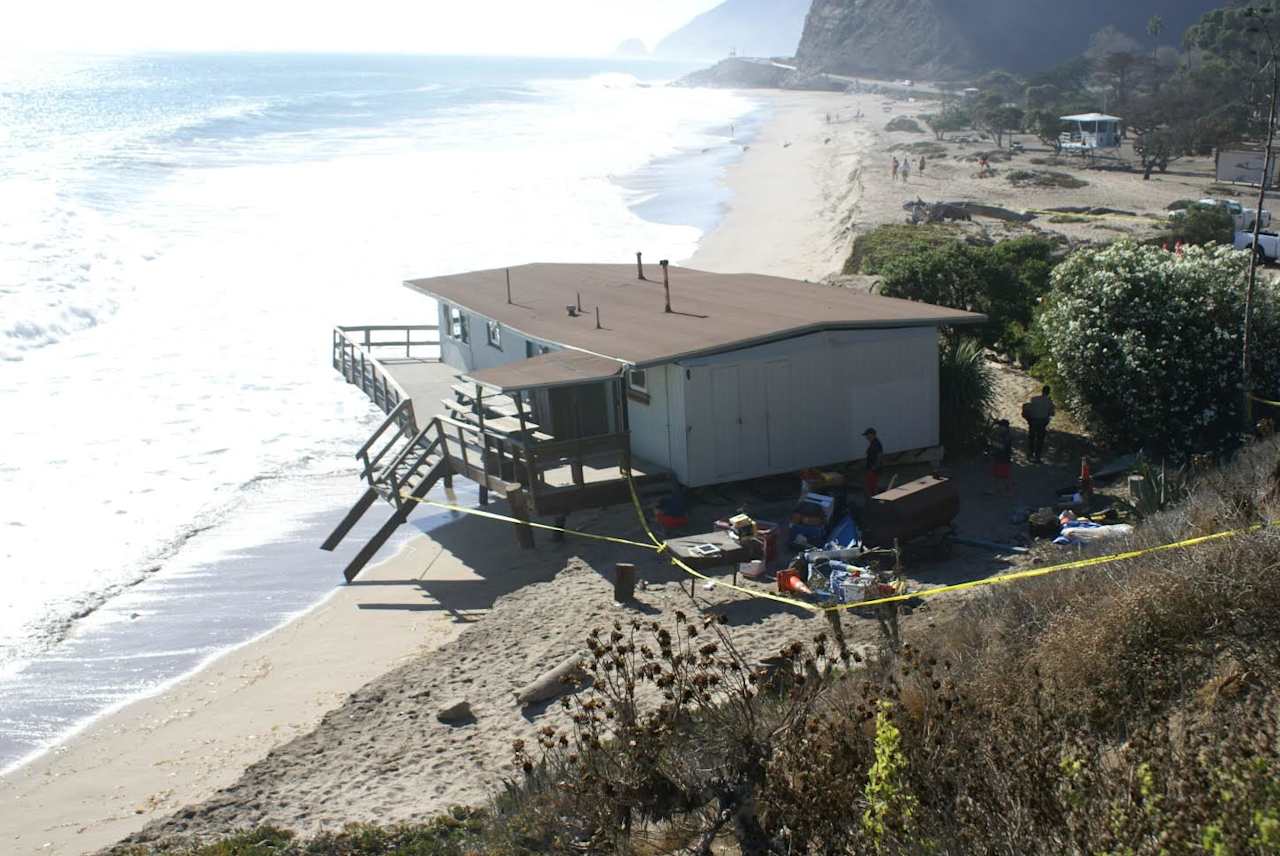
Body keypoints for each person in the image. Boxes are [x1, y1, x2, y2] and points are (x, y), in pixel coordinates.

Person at [1021, 385, 1056, 463]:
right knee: (1040, 440)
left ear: (1042, 391)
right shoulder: (1049, 402)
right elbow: (1052, 413)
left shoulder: (1034, 399)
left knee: (1032, 438)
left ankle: (1030, 454)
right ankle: (1037, 457)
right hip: (1042, 422)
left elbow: (1029, 408)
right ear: (1049, 392)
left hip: (1033, 421)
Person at [989, 419, 1014, 496]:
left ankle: (1009, 492)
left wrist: (993, 443)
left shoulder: (1007, 436)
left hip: (1004, 458)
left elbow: (1003, 447)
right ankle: (996, 490)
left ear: (1005, 427)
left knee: (1005, 476)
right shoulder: (1000, 434)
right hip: (998, 457)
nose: (999, 427)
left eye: (1001, 426)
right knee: (995, 475)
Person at [862, 427, 883, 497]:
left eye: (867, 435)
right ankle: (873, 500)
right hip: (871, 469)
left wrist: (874, 468)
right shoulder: (873, 443)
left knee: (873, 488)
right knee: (871, 487)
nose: (866, 437)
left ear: (872, 434)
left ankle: (874, 501)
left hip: (873, 470)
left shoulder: (876, 444)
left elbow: (879, 456)